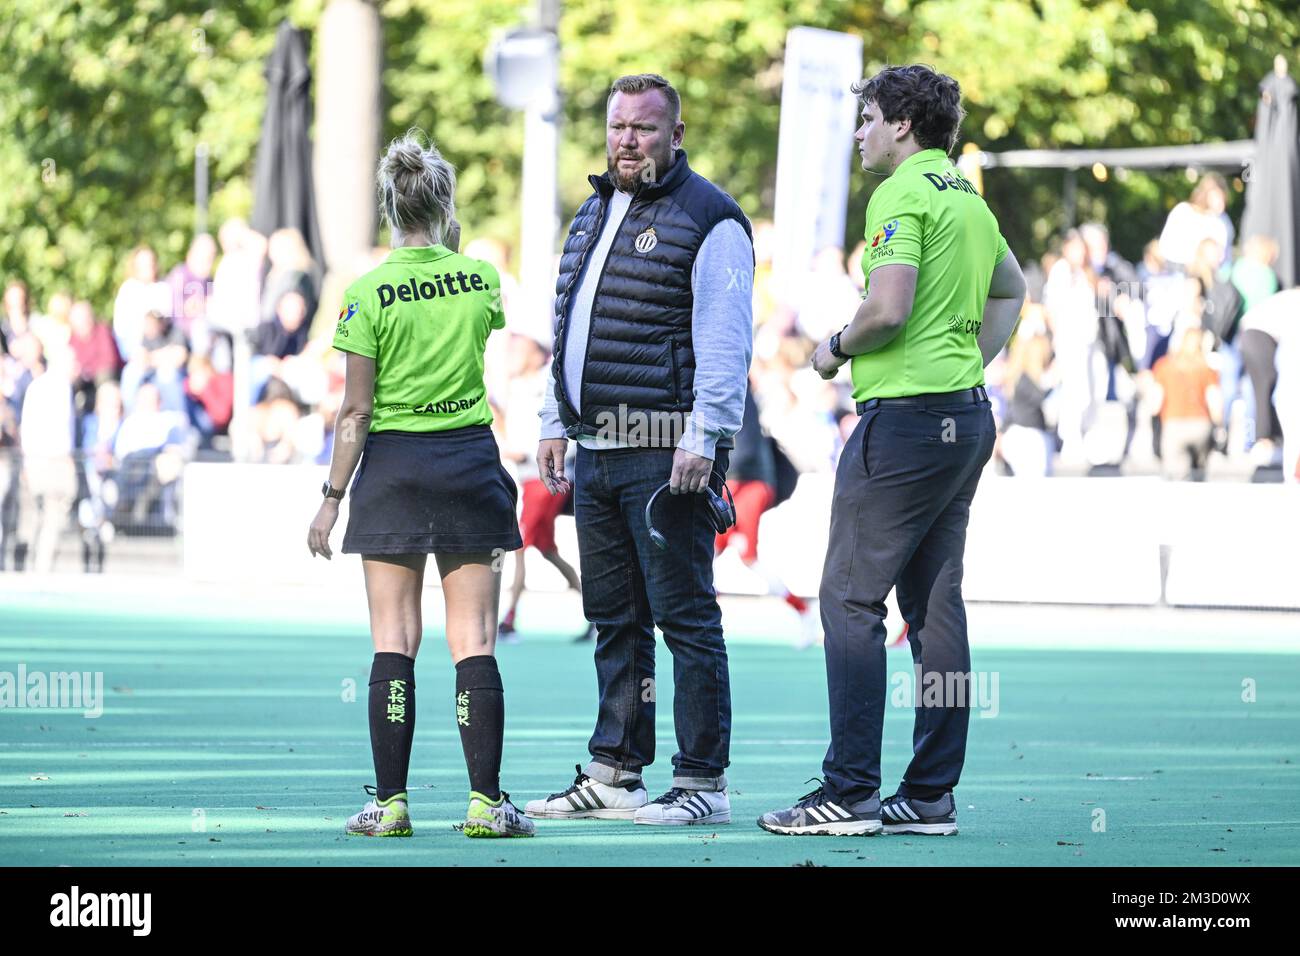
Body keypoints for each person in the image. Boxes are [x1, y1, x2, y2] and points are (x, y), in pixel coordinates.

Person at [759, 64, 1025, 837]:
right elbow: (1010, 289)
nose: (860, 133)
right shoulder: (966, 196)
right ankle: (930, 793)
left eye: (869, 118)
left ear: (902, 124)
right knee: (937, 607)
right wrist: (971, 359)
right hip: (964, 418)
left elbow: (888, 307)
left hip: (904, 421)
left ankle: (848, 791)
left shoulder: (900, 192)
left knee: (847, 598)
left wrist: (831, 350)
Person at [527, 73, 754, 827]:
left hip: (667, 453)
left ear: (676, 135)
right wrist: (554, 418)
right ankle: (616, 769)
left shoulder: (711, 217)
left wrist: (706, 433)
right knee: (615, 616)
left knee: (685, 615)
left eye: (645, 128)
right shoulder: (593, 211)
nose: (628, 139)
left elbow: (726, 341)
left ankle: (702, 781)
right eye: (619, 125)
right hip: (595, 448)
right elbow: (567, 327)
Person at [306, 131, 534, 839]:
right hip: (468, 463)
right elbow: (482, 313)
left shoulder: (366, 291)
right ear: (444, 203)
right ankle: (486, 804)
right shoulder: (479, 279)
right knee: (474, 640)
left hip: (395, 472)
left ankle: (392, 803)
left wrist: (331, 498)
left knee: (394, 640)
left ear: (386, 206)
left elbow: (356, 411)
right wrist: (453, 242)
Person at [495, 331, 585, 643]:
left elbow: (567, 425)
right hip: (527, 477)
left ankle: (508, 619)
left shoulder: (552, 379)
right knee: (547, 552)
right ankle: (597, 613)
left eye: (519, 347)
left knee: (518, 544)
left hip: (546, 477)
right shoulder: (517, 384)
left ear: (536, 349)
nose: (513, 354)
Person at [1150, 323, 1222, 480]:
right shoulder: (1206, 369)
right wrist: (1219, 427)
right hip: (1201, 426)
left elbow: (1155, 405)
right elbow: (1215, 403)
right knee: (1199, 476)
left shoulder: (1164, 366)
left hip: (1174, 426)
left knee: (1177, 477)